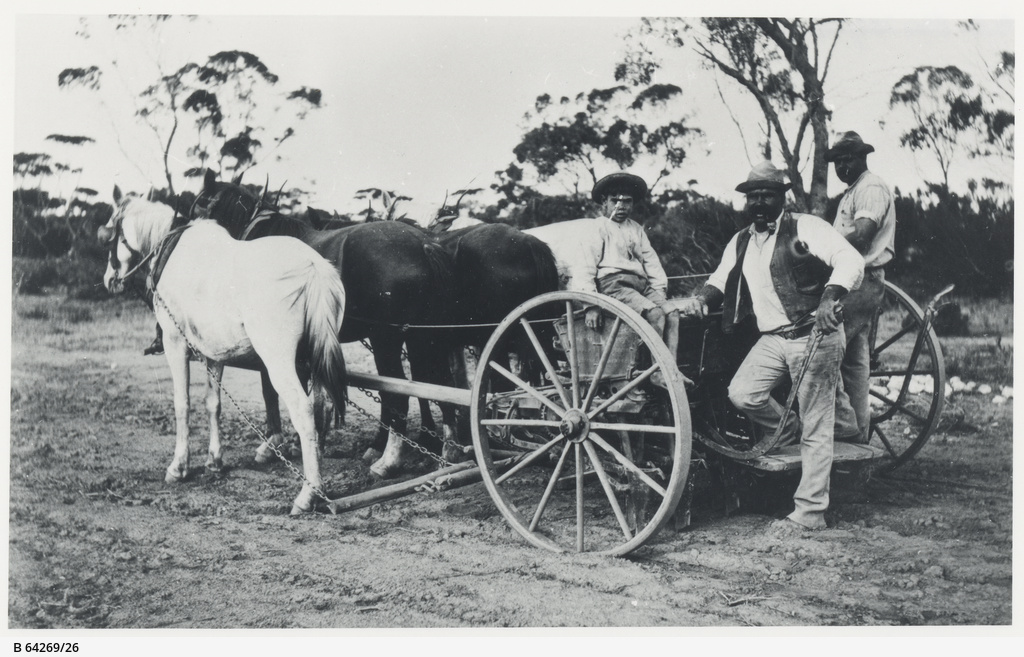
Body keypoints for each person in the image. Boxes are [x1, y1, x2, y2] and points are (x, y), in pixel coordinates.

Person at [676, 161, 864, 531]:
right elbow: (719, 279)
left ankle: (810, 513)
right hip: (775, 338)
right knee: (743, 393)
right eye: (753, 196)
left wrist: (829, 298)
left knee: (817, 426)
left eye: (767, 195)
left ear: (782, 196)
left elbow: (850, 259)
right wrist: (701, 298)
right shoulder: (743, 239)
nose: (759, 202)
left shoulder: (805, 228)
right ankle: (785, 426)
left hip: (815, 334)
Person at [826, 131, 896, 444]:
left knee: (823, 352)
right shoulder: (852, 191)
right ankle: (856, 444)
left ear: (862, 158)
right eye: (837, 162)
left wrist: (820, 250)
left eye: (847, 159)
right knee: (855, 364)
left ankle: (844, 430)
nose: (842, 166)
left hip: (860, 281)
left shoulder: (870, 187)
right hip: (856, 280)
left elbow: (863, 235)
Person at [584, 172, 680, 366]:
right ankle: (657, 370)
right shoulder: (598, 228)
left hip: (640, 285)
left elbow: (651, 261)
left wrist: (659, 291)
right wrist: (590, 305)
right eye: (615, 201)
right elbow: (585, 266)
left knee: (672, 313)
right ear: (604, 202)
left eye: (627, 202)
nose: (621, 207)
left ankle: (672, 369)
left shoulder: (635, 228)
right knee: (655, 315)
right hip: (614, 285)